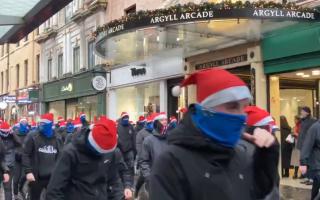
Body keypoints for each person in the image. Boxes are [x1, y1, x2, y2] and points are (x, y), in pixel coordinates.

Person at [150, 68, 278, 200]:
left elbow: (258, 193)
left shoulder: (240, 154)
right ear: (206, 110)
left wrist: (267, 154)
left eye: (244, 107)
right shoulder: (171, 163)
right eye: (232, 106)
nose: (242, 116)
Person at [46, 116, 122, 200]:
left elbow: (114, 180)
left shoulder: (111, 153)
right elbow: (54, 190)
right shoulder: (70, 153)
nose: (101, 154)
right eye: (98, 151)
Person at [22, 113, 63, 200]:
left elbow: (61, 156)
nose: (41, 125)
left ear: (51, 123)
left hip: (52, 177)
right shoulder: (33, 136)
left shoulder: (58, 138)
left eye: (44, 123)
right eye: (41, 122)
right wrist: (28, 171)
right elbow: (25, 154)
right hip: (36, 176)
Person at [300, 119, 320, 199]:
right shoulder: (315, 128)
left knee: (316, 184)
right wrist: (303, 162)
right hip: (317, 163)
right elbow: (307, 145)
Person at [297, 106, 317, 184]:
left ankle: (312, 179)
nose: (301, 112)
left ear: (307, 112)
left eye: (303, 111)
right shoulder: (302, 121)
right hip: (302, 144)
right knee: (304, 161)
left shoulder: (312, 121)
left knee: (310, 161)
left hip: (309, 144)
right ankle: (307, 177)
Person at [0, 121, 19, 200]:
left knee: (7, 188)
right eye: (2, 132)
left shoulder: (12, 138)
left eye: (6, 132)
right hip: (1, 165)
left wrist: (13, 133)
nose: (5, 134)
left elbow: (19, 143)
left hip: (10, 166)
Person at [13, 118, 30, 199]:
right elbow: (11, 146)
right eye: (22, 123)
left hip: (25, 159)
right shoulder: (15, 134)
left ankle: (21, 189)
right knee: (16, 179)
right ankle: (15, 194)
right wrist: (16, 152)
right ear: (19, 124)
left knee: (24, 177)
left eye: (25, 123)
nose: (24, 124)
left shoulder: (29, 134)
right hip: (17, 159)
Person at [117, 112, 135, 178]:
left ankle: (131, 184)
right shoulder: (117, 126)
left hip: (129, 150)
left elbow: (134, 139)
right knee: (121, 166)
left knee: (131, 167)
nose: (126, 119)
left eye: (127, 117)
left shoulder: (131, 126)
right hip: (120, 150)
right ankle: (122, 182)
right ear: (121, 118)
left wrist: (134, 151)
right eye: (124, 117)